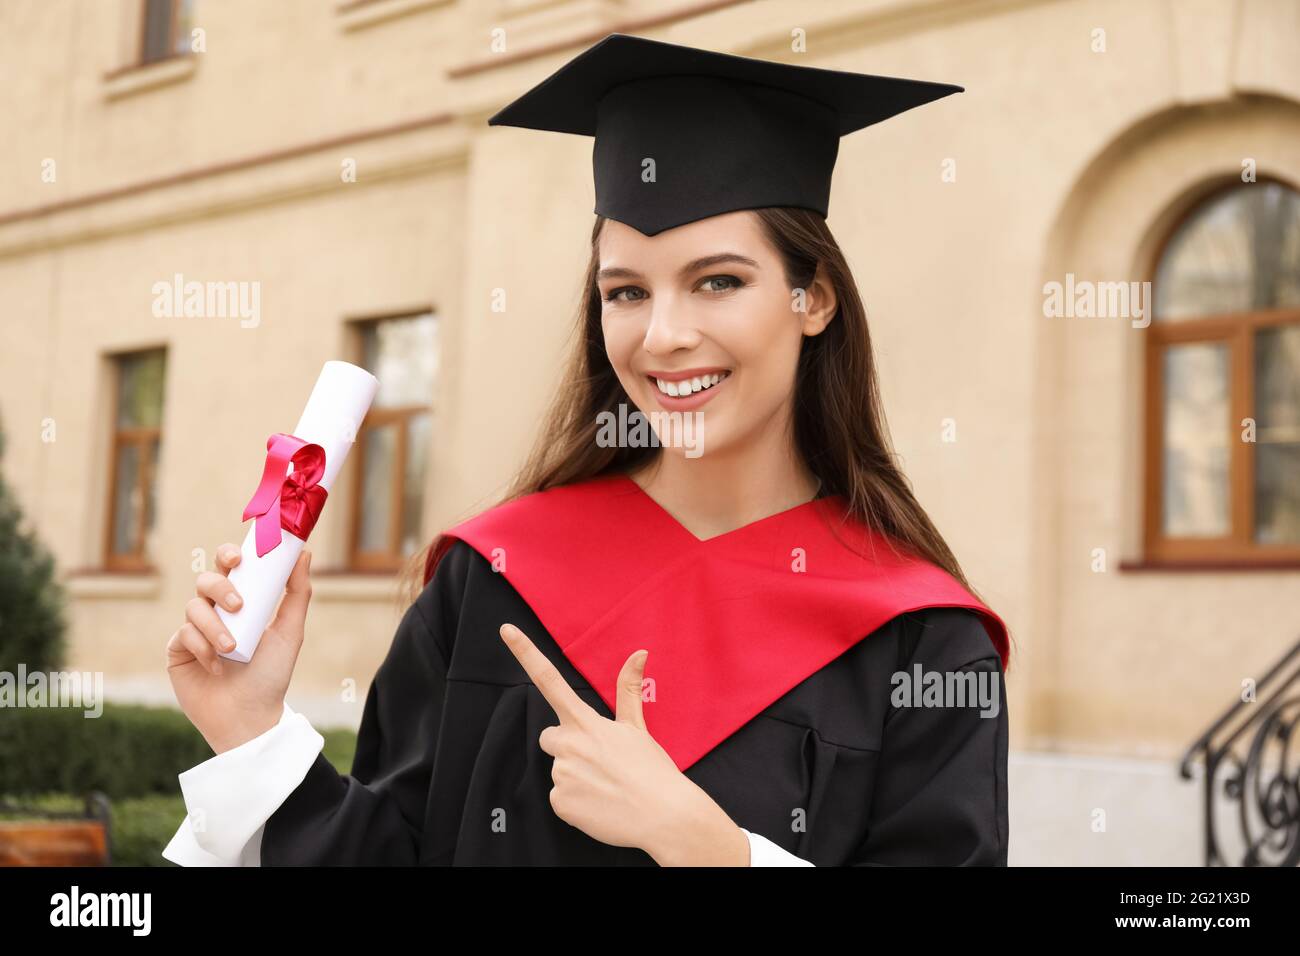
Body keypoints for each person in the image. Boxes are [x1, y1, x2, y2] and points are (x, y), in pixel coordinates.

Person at [162, 32, 1011, 867]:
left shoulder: (920, 642)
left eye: (719, 281)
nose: (665, 335)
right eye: (627, 291)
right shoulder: (490, 578)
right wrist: (250, 729)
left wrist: (715, 854)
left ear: (813, 297)